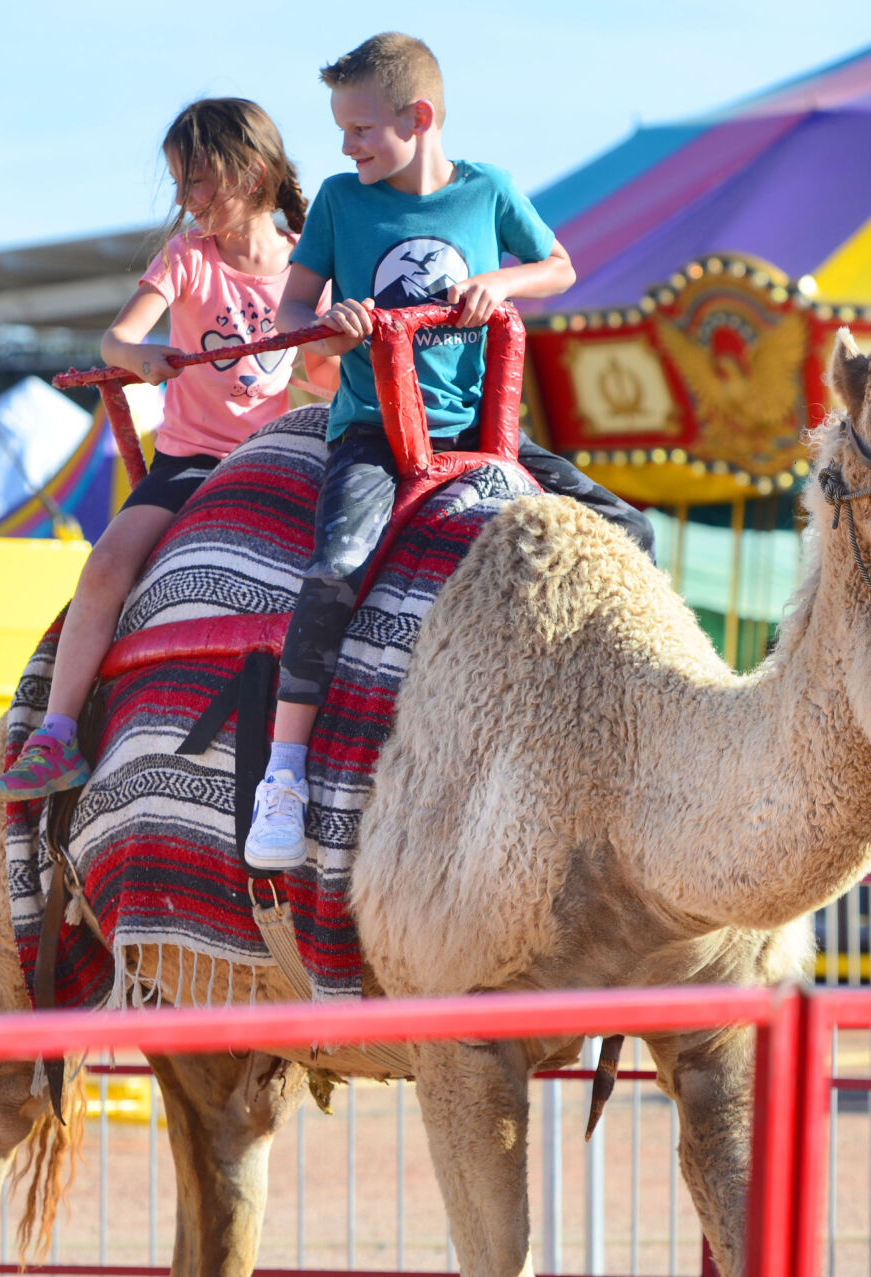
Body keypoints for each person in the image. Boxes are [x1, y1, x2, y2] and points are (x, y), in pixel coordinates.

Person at [241, 32, 654, 870]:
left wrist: (496, 284)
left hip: (479, 429)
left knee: (629, 530)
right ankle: (284, 772)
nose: (346, 146)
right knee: (337, 564)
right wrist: (333, 322)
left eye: (360, 129)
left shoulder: (488, 191)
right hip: (373, 428)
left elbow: (558, 266)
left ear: (417, 118)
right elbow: (289, 312)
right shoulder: (337, 201)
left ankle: (629, 720)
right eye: (343, 131)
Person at [0, 98, 311, 799]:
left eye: (195, 181)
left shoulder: (307, 264)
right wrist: (141, 357)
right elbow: (113, 340)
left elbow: (329, 363)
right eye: (179, 183)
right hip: (192, 462)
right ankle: (57, 733)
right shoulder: (189, 258)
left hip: (279, 458)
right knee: (106, 563)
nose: (183, 199)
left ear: (250, 174)